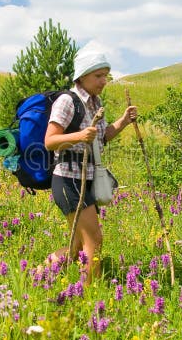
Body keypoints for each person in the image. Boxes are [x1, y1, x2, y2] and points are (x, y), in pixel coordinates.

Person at [43, 51, 137, 284]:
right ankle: (88, 295)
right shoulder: (67, 101)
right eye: (98, 76)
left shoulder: (96, 103)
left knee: (76, 247)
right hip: (68, 179)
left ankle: (36, 276)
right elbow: (50, 141)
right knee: (94, 240)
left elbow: (101, 138)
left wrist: (123, 121)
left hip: (86, 179)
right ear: (83, 76)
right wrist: (79, 136)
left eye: (106, 76)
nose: (104, 81)